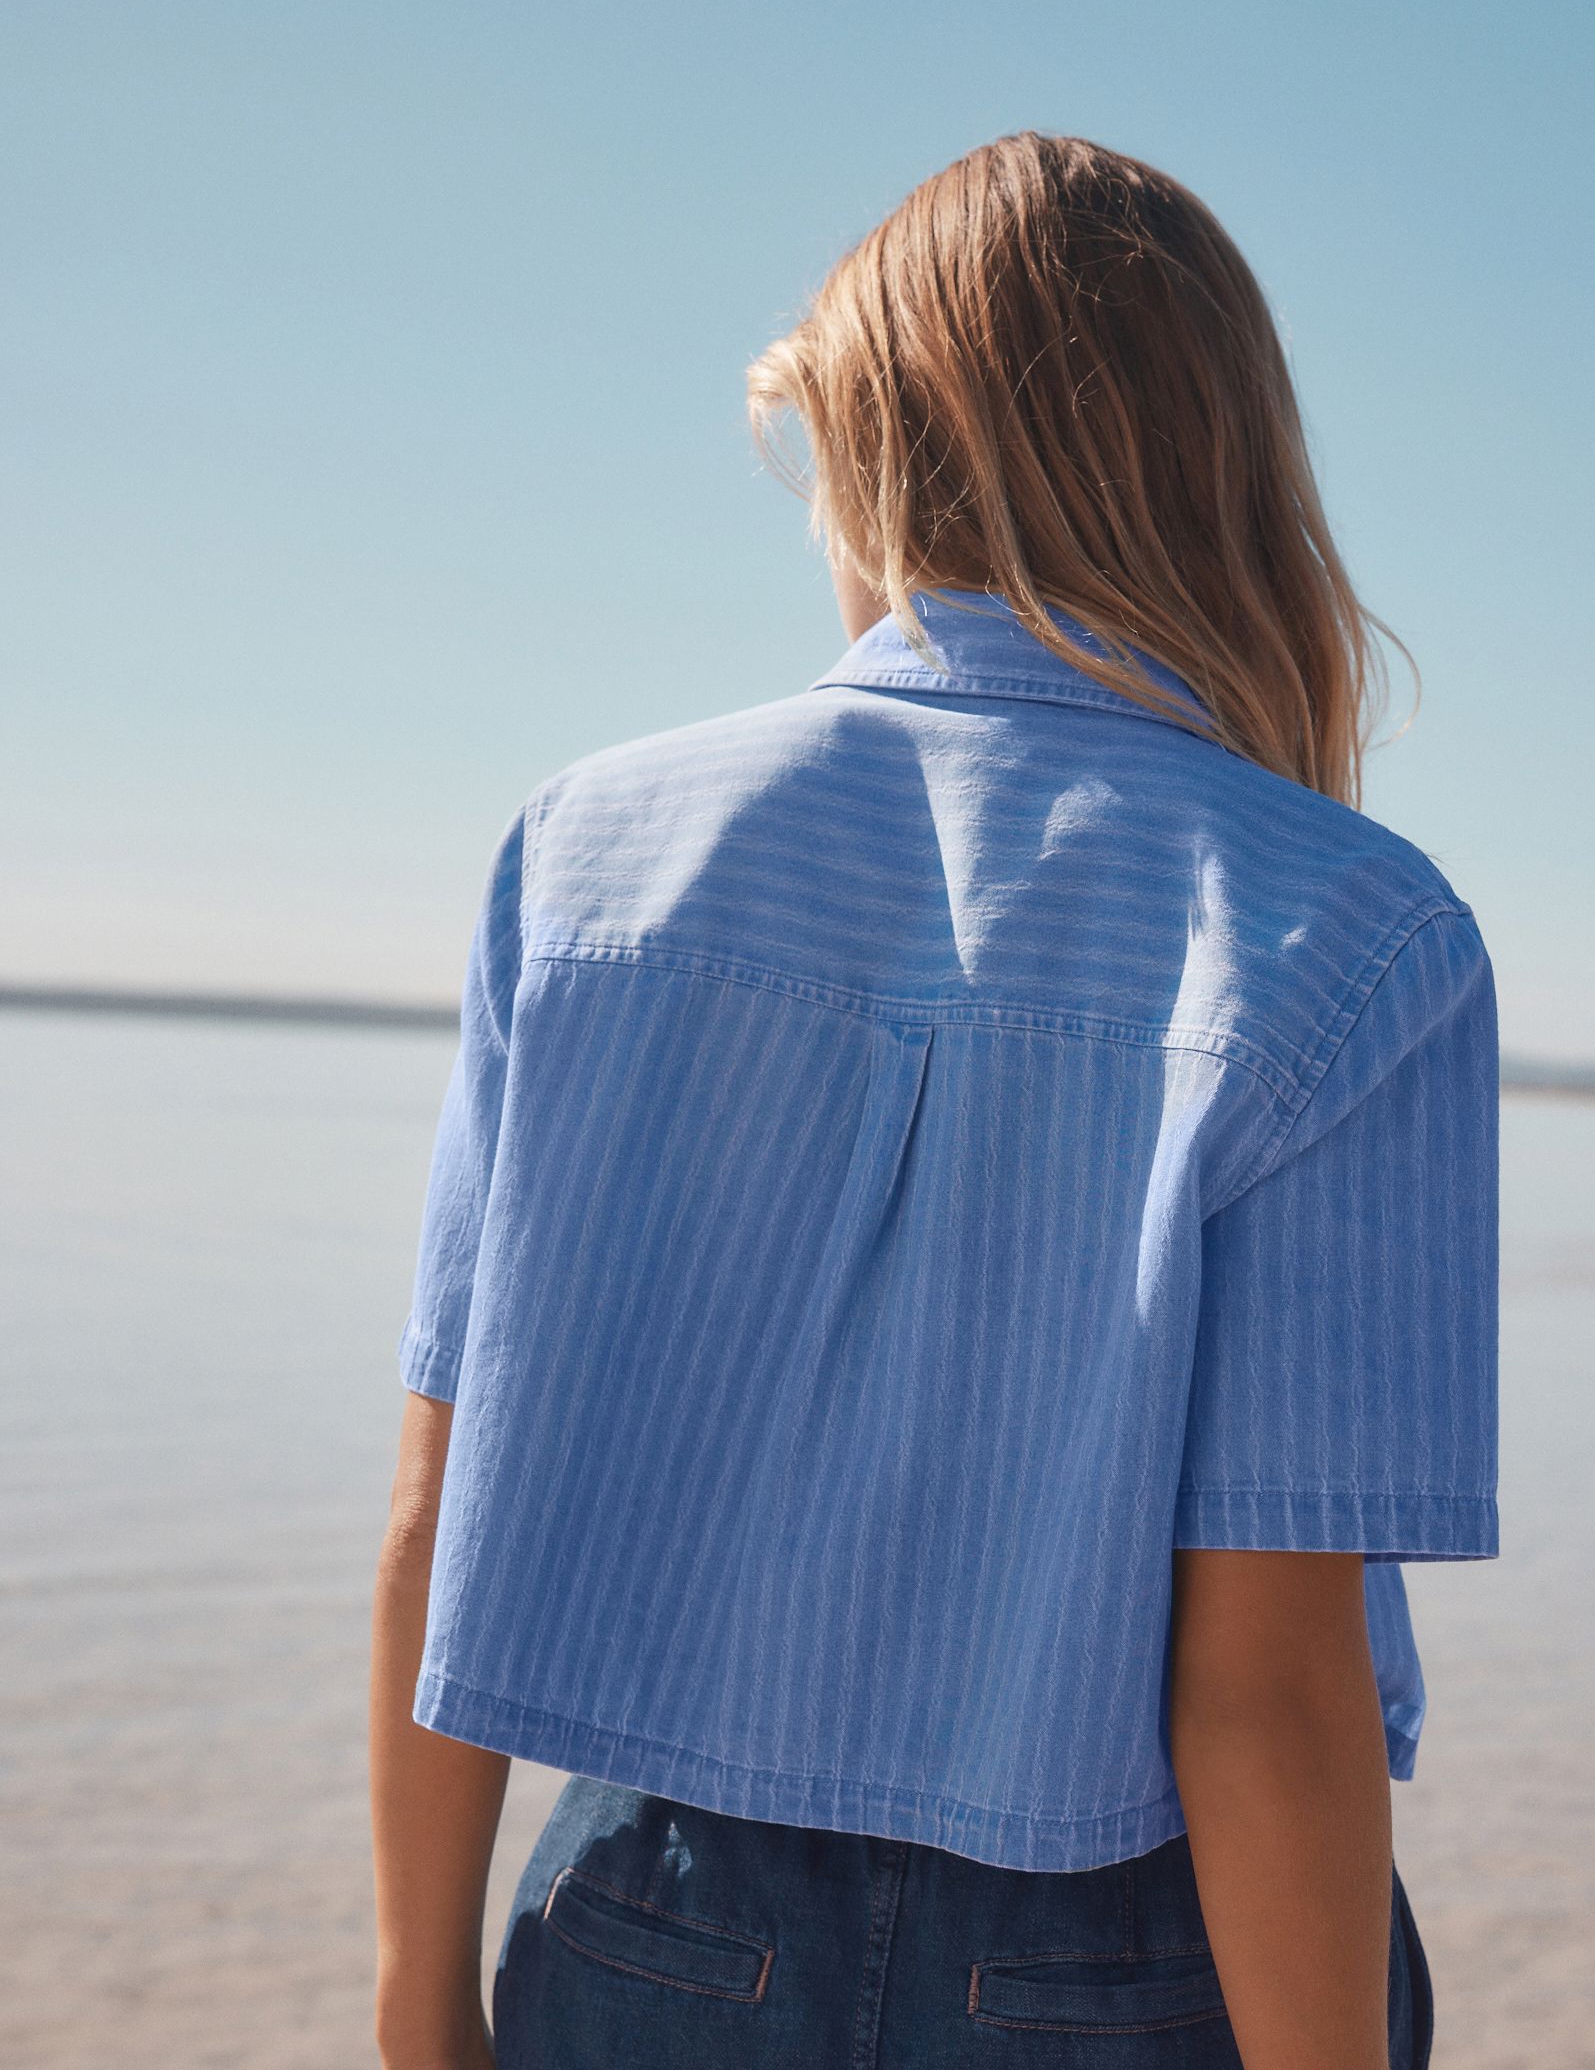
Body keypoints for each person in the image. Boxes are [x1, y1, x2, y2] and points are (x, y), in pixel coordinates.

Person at [369, 132, 1499, 2070]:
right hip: (1132, 1961)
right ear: (1222, 468)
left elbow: (437, 1515)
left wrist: (417, 2004)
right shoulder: (1345, 929)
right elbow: (1264, 1685)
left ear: (883, 464)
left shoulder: (585, 859)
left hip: (654, 1927)